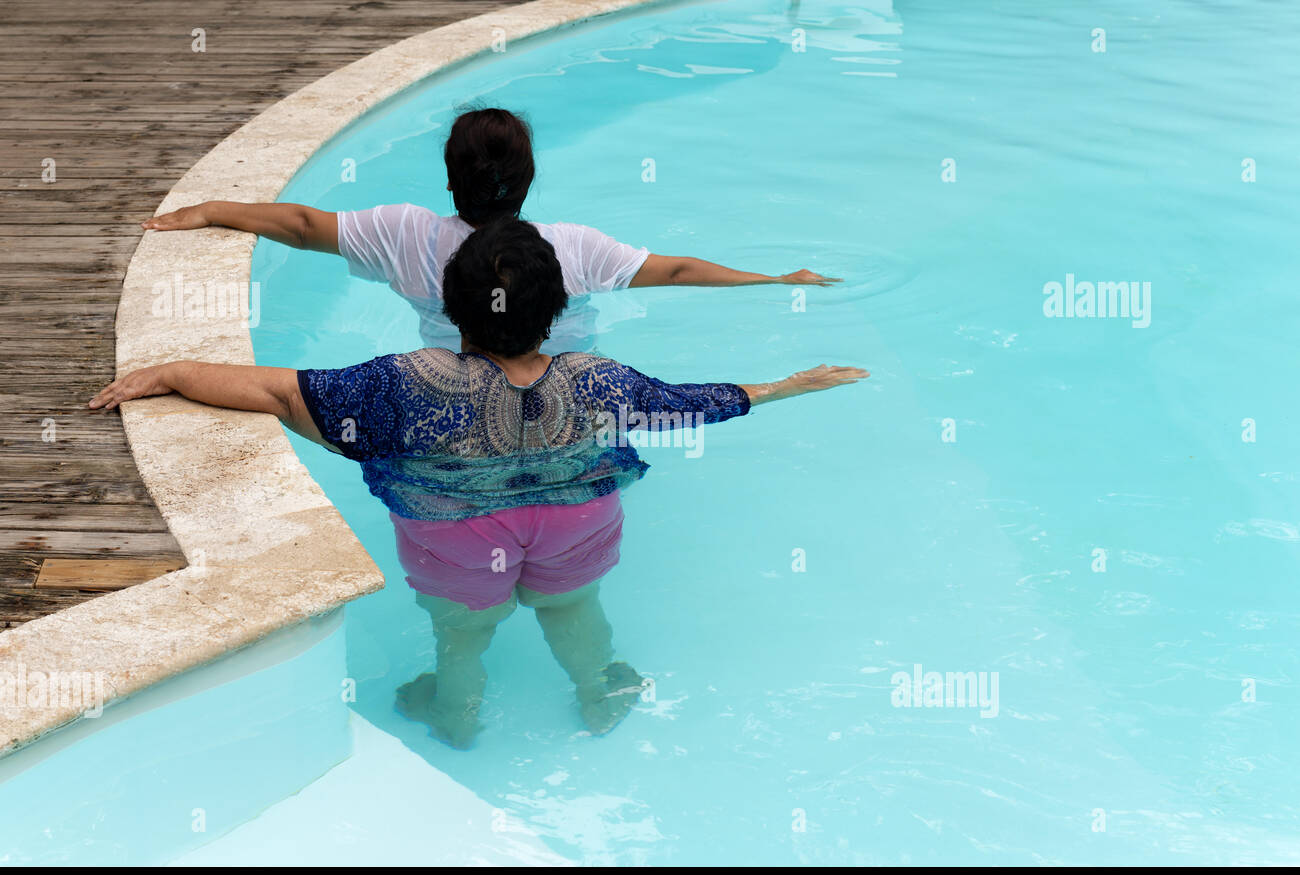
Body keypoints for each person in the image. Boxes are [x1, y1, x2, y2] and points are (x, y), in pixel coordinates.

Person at [92, 220, 867, 748]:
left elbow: (277, 392)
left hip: (456, 534)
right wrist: (786, 386)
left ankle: (456, 711)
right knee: (574, 608)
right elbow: (692, 404)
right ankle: (598, 689)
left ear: (449, 307)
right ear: (558, 310)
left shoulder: (400, 383)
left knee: (461, 632)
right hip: (576, 519)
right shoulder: (599, 379)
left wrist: (170, 371)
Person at [140, 107, 840, 350]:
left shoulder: (402, 232)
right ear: (530, 181)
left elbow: (296, 223)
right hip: (562, 379)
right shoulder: (572, 247)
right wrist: (777, 280)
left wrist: (213, 210)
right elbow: (680, 272)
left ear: (450, 179)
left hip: (451, 373)